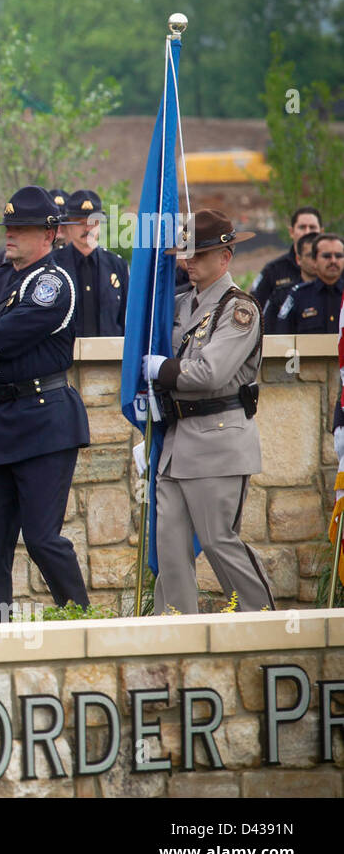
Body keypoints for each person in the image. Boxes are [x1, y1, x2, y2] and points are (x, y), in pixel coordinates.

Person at [0, 186, 91, 621]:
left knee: (43, 538)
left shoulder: (52, 282)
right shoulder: (1, 279)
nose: (11, 236)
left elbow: (4, 336)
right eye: (8, 228)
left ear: (49, 236)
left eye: (22, 230)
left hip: (42, 422)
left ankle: (82, 621)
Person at [141, 208, 275, 614]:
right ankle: (177, 630)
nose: (188, 262)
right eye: (185, 254)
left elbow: (209, 373)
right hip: (178, 440)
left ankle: (265, 621)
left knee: (219, 540)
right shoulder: (181, 303)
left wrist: (159, 369)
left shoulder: (240, 310)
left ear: (225, 257)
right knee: (170, 547)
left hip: (218, 438)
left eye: (198, 255)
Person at [57, 189, 129, 337]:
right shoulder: (53, 264)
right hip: (65, 357)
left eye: (94, 222)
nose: (88, 228)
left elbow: (125, 318)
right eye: (81, 223)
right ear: (68, 226)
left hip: (109, 355)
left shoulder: (117, 265)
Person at [272, 232, 344, 334]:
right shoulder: (297, 296)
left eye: (338, 256)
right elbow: (282, 336)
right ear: (314, 261)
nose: (333, 261)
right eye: (327, 256)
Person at [251, 206, 321, 309]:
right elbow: (253, 307)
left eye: (312, 227)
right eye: (302, 227)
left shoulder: (335, 267)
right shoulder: (273, 270)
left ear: (321, 231)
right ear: (291, 232)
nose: (307, 232)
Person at [263, 232, 319, 329]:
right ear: (298, 259)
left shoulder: (338, 294)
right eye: (310, 255)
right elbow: (269, 333)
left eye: (320, 255)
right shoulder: (283, 294)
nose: (315, 260)